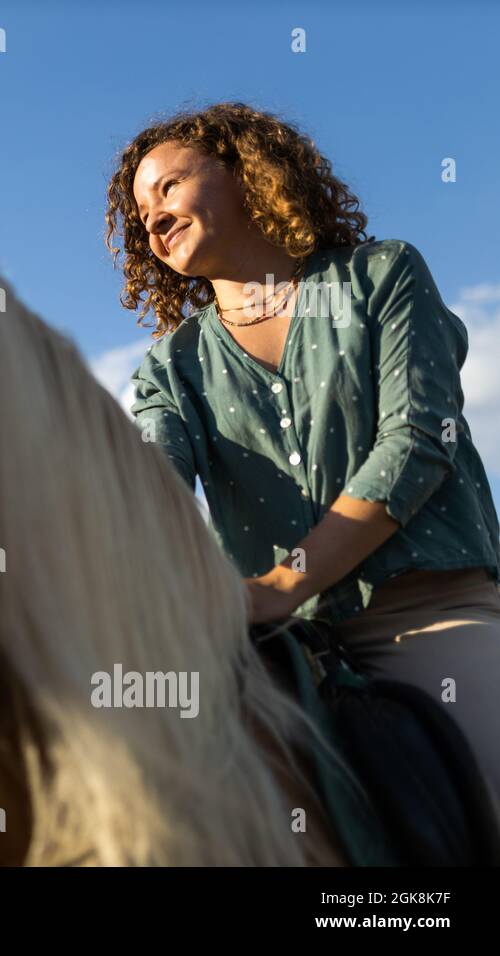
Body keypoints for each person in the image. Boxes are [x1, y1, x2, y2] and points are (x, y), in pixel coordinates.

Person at [107, 102, 500, 802]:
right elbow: (146, 486)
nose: (150, 215)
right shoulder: (171, 366)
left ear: (246, 173)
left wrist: (282, 587)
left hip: (427, 617)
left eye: (168, 186)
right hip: (269, 647)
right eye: (139, 209)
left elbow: (416, 440)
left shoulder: (382, 276)